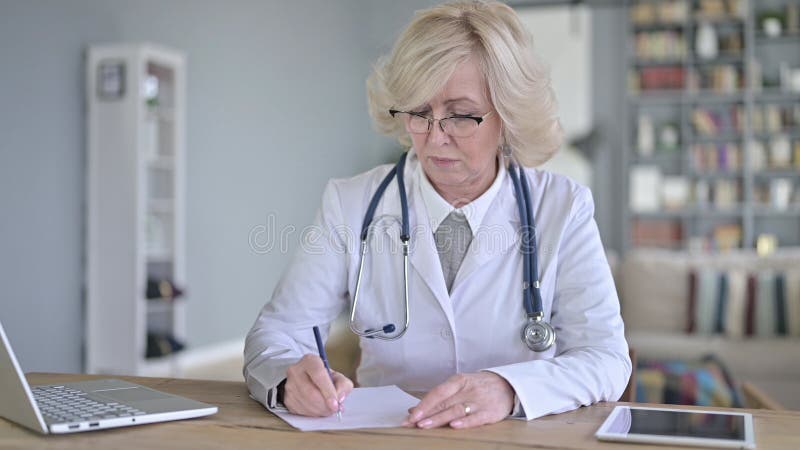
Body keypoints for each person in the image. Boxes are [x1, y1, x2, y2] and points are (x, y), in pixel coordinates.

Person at [244, 0, 630, 429]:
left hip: (516, 437)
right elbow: (276, 334)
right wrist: (288, 378)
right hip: (390, 437)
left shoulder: (562, 207)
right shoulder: (351, 203)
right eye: (419, 112)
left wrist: (508, 389)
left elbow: (606, 358)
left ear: (507, 114)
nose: (434, 137)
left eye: (461, 116)